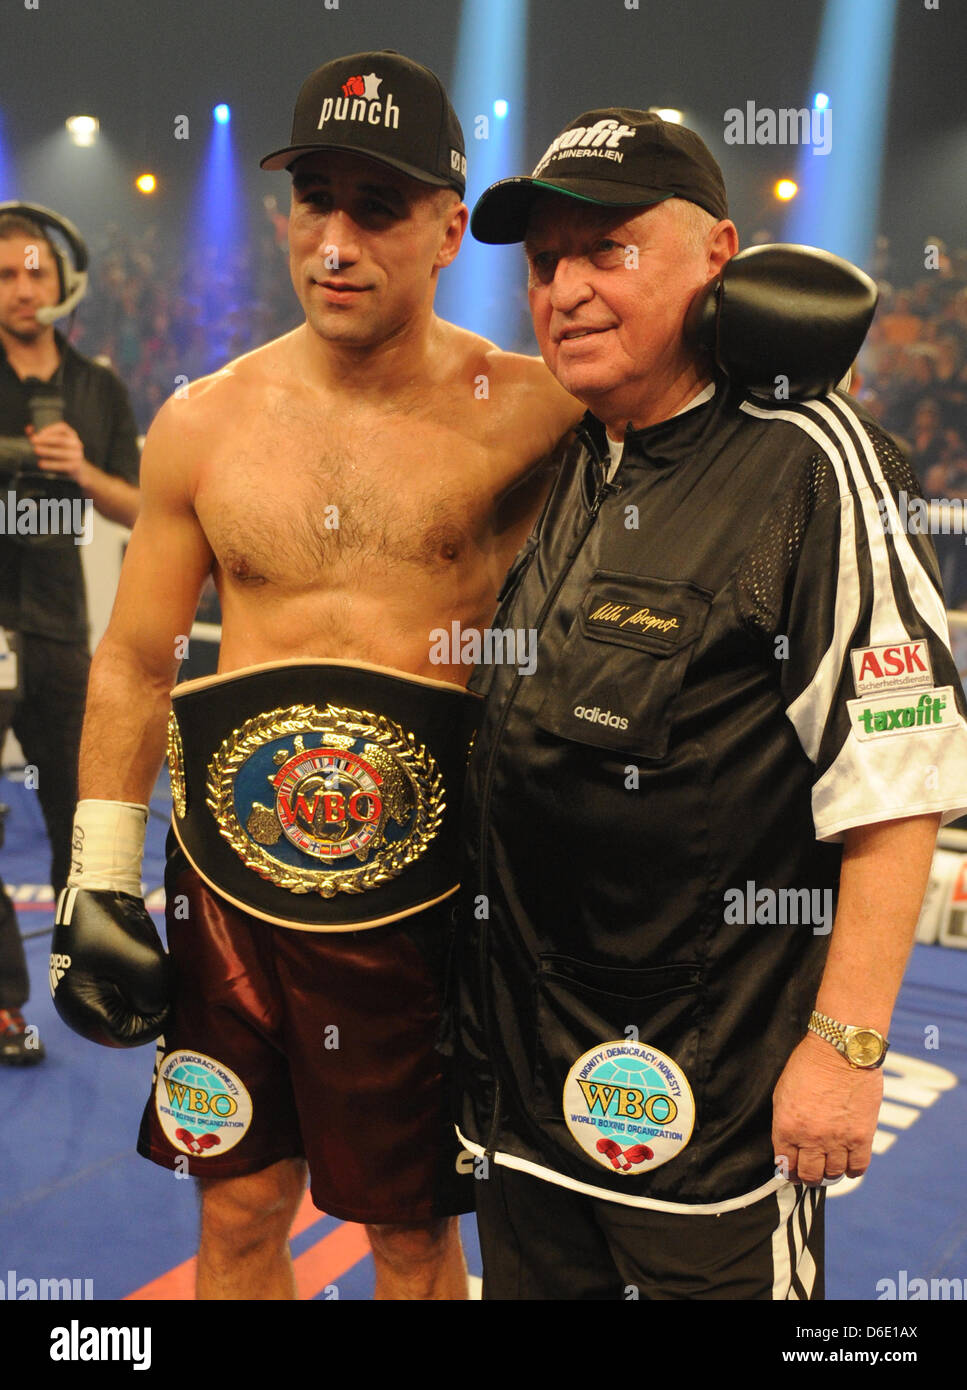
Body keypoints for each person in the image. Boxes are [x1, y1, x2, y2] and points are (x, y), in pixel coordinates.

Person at [49, 51, 582, 1302]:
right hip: (230, 886)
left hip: (426, 897)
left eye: (377, 208)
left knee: (410, 1234)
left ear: (451, 229)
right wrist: (101, 873)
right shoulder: (203, 422)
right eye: (315, 201)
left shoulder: (538, 411)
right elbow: (134, 656)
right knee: (234, 1210)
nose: (336, 242)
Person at [453, 109, 967, 1300]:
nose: (568, 288)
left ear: (719, 254)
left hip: (713, 1095)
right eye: (544, 261)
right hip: (526, 1080)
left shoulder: (813, 461)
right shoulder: (584, 448)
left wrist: (845, 1051)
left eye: (610, 249)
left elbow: (896, 776)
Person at [0, 209, 139, 1064]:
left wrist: (80, 470)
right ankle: (2, 1007)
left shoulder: (97, 386)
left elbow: (139, 504)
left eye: (34, 273)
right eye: (6, 275)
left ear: (63, 281)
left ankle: (84, 978)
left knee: (76, 816)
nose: (22, 289)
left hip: (58, 627)